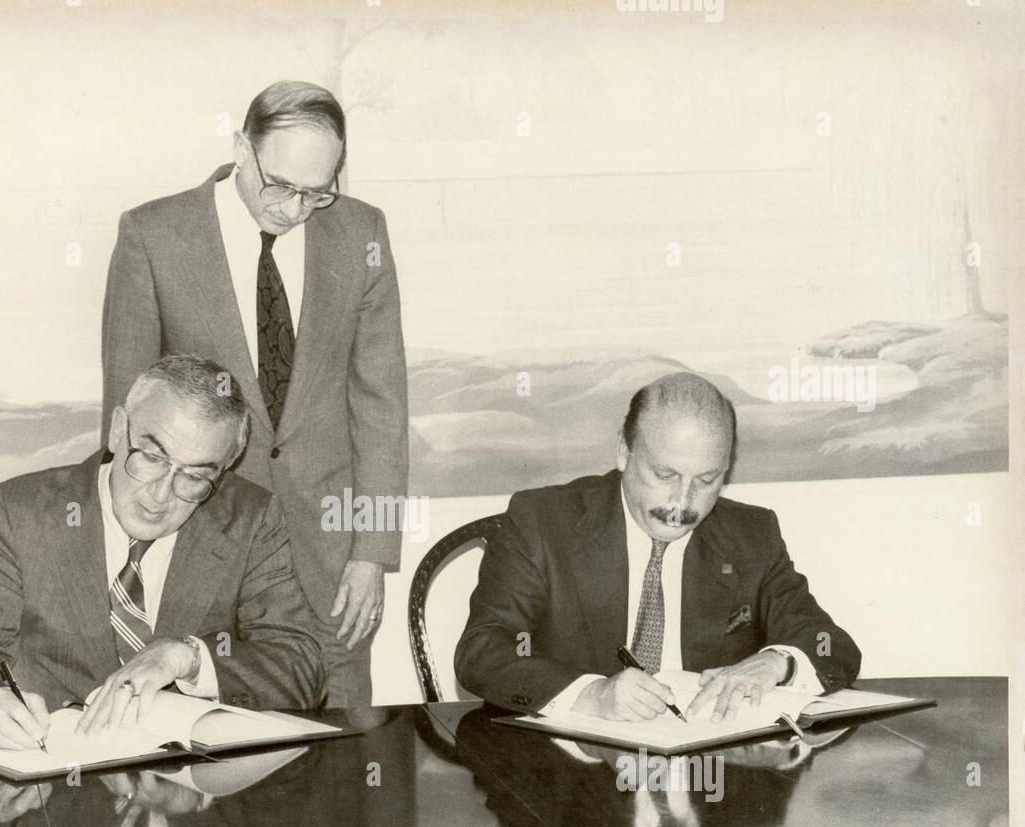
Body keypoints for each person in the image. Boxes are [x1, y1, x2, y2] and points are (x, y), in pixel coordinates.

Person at [0, 355, 324, 827]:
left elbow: (302, 664)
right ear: (117, 429)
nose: (161, 495)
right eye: (151, 457)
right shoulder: (23, 512)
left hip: (193, 824)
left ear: (223, 472)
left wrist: (187, 657)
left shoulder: (250, 518)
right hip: (51, 815)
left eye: (195, 477)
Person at [101, 79, 408, 708]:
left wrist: (371, 553)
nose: (295, 208)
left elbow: (381, 403)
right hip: (200, 543)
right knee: (197, 756)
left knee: (340, 763)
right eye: (281, 185)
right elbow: (128, 419)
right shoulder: (154, 236)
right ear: (243, 147)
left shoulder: (361, 233)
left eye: (318, 193)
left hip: (331, 560)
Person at [455, 372, 862, 722]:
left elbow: (830, 643)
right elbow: (483, 649)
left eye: (706, 481)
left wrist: (774, 663)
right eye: (665, 474)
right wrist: (589, 695)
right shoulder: (544, 522)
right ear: (623, 451)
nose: (681, 504)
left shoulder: (752, 535)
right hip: (571, 783)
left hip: (706, 780)